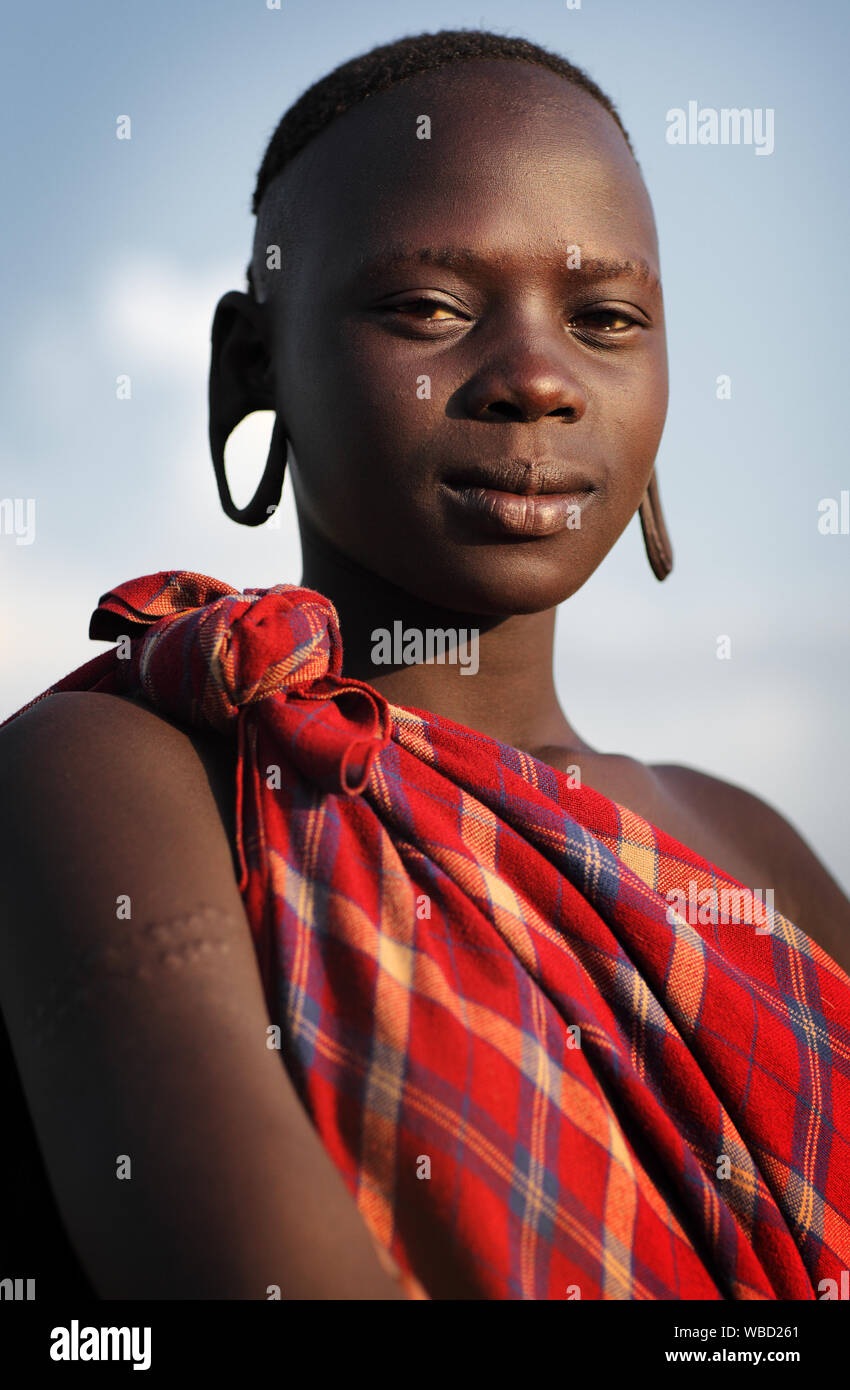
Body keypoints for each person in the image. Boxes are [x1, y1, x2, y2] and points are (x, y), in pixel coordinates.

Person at [1, 29, 849, 1302]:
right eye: (431, 310)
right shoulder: (127, 770)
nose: (535, 379)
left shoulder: (756, 849)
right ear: (254, 366)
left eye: (604, 319)